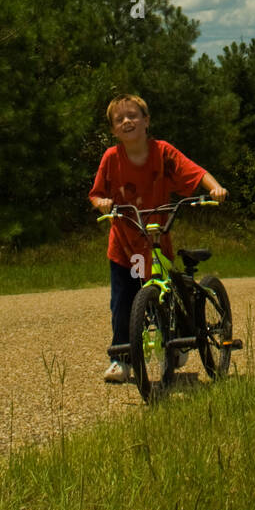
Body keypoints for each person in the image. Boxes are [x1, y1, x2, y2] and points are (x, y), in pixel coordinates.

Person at [89, 94, 228, 383]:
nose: (127, 121)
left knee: (166, 292)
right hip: (125, 246)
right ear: (114, 130)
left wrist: (215, 189)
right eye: (120, 119)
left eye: (133, 116)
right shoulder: (111, 159)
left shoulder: (162, 152)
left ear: (146, 121)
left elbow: (195, 171)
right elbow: (97, 193)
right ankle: (122, 360)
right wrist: (102, 203)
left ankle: (175, 342)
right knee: (123, 303)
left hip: (155, 242)